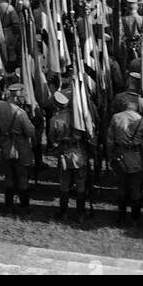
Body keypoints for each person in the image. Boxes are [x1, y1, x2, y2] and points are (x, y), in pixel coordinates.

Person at [105, 86, 143, 223]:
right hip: (136, 158)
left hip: (119, 156)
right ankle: (135, 217)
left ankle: (121, 216)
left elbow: (109, 141)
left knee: (121, 187)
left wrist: (110, 157)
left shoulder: (115, 118)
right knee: (135, 188)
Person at [48, 89, 93, 221]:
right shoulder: (78, 117)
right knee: (80, 185)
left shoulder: (54, 120)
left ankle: (64, 213)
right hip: (79, 154)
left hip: (64, 154)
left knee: (64, 185)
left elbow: (52, 139)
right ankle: (80, 214)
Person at [0, 82, 35, 213]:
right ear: (17, 97)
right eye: (22, 97)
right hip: (19, 148)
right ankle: (24, 206)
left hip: (6, 146)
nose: (24, 99)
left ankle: (8, 204)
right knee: (22, 177)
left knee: (9, 177)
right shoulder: (20, 113)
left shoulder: (0, 106)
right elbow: (30, 132)